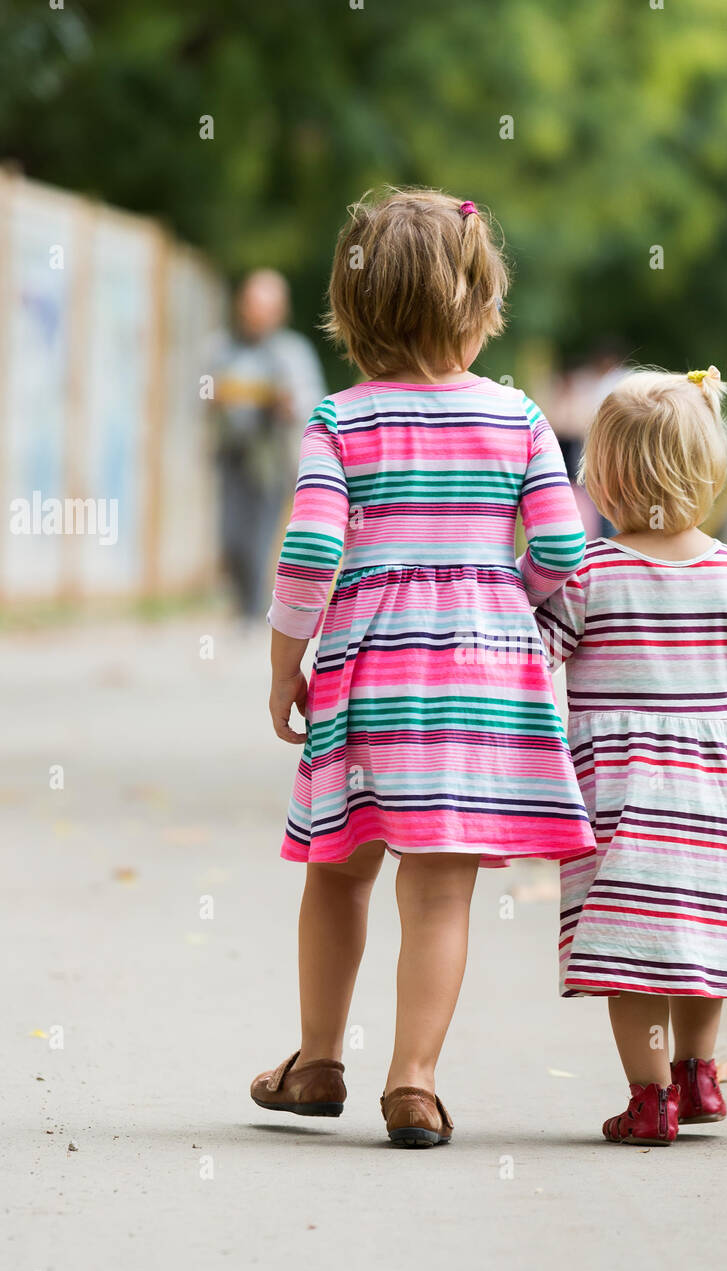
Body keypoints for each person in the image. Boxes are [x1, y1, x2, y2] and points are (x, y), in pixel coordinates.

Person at [249, 189, 595, 1147]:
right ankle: (414, 1082)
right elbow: (562, 547)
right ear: (481, 306)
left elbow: (313, 553)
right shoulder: (519, 417)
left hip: (368, 679)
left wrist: (286, 661)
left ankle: (318, 1062)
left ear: (351, 314)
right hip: (482, 677)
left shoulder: (339, 421)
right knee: (440, 886)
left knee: (340, 867)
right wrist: (503, 597)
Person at [534, 366, 727, 1145]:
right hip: (709, 803)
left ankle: (648, 1098)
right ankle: (699, 1076)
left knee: (630, 948)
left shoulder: (589, 575)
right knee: (702, 932)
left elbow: (534, 657)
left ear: (602, 476)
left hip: (620, 802)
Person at [208, 269, 326, 620]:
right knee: (230, 534)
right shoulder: (220, 349)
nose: (256, 315)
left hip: (272, 458)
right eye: (251, 306)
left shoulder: (292, 353)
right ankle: (243, 599)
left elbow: (312, 404)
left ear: (279, 312)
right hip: (232, 453)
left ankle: (252, 609)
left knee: (260, 534)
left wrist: (286, 404)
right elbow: (200, 392)